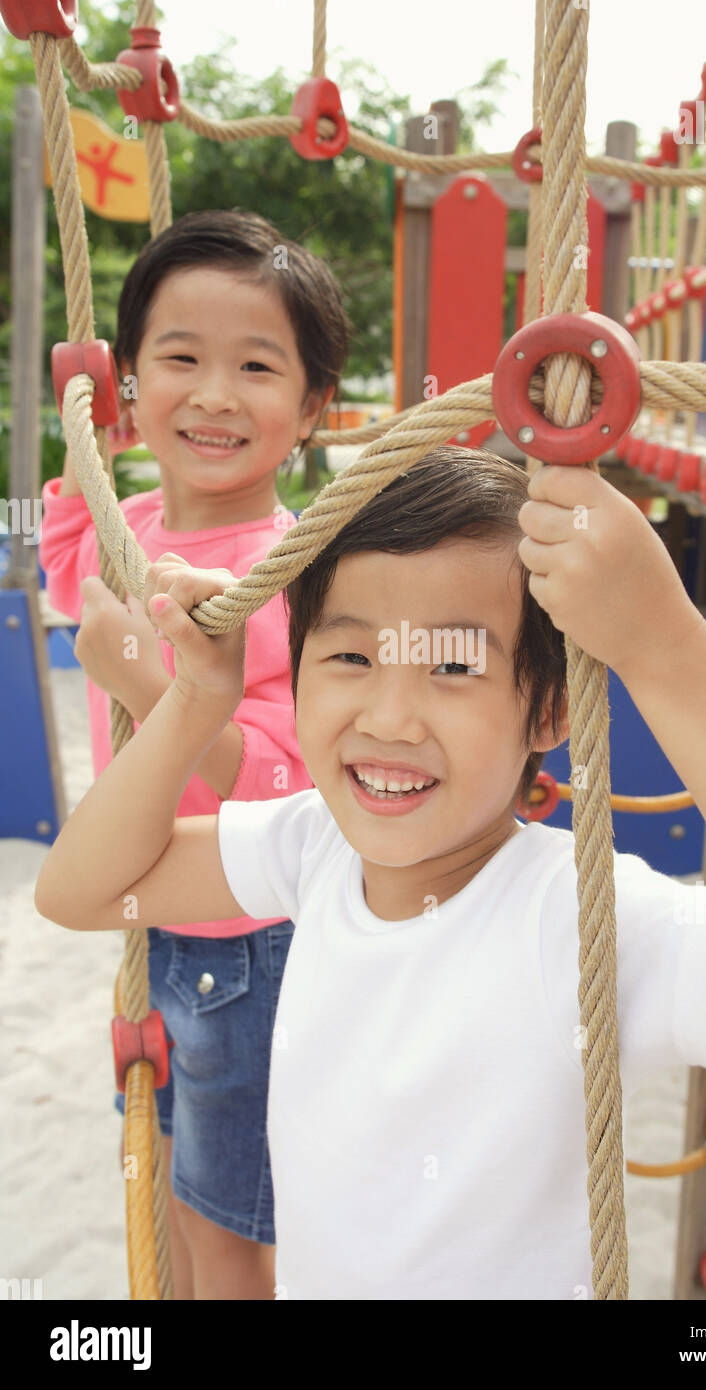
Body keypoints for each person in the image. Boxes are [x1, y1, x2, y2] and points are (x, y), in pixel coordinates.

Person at [35, 444, 706, 1301]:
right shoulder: (314, 847)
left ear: (546, 707)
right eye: (351, 658)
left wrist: (664, 648)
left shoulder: (573, 914)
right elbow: (81, 891)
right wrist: (194, 704)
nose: (390, 718)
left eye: (454, 667)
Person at [38, 208, 349, 1300]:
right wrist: (83, 425)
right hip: (160, 923)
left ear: (312, 407)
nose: (214, 394)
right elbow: (69, 569)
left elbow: (287, 782)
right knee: (163, 1174)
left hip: (251, 944)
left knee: (230, 1230)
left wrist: (153, 688)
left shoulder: (296, 574)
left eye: (257, 367)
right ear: (134, 382)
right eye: (179, 359)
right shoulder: (127, 529)